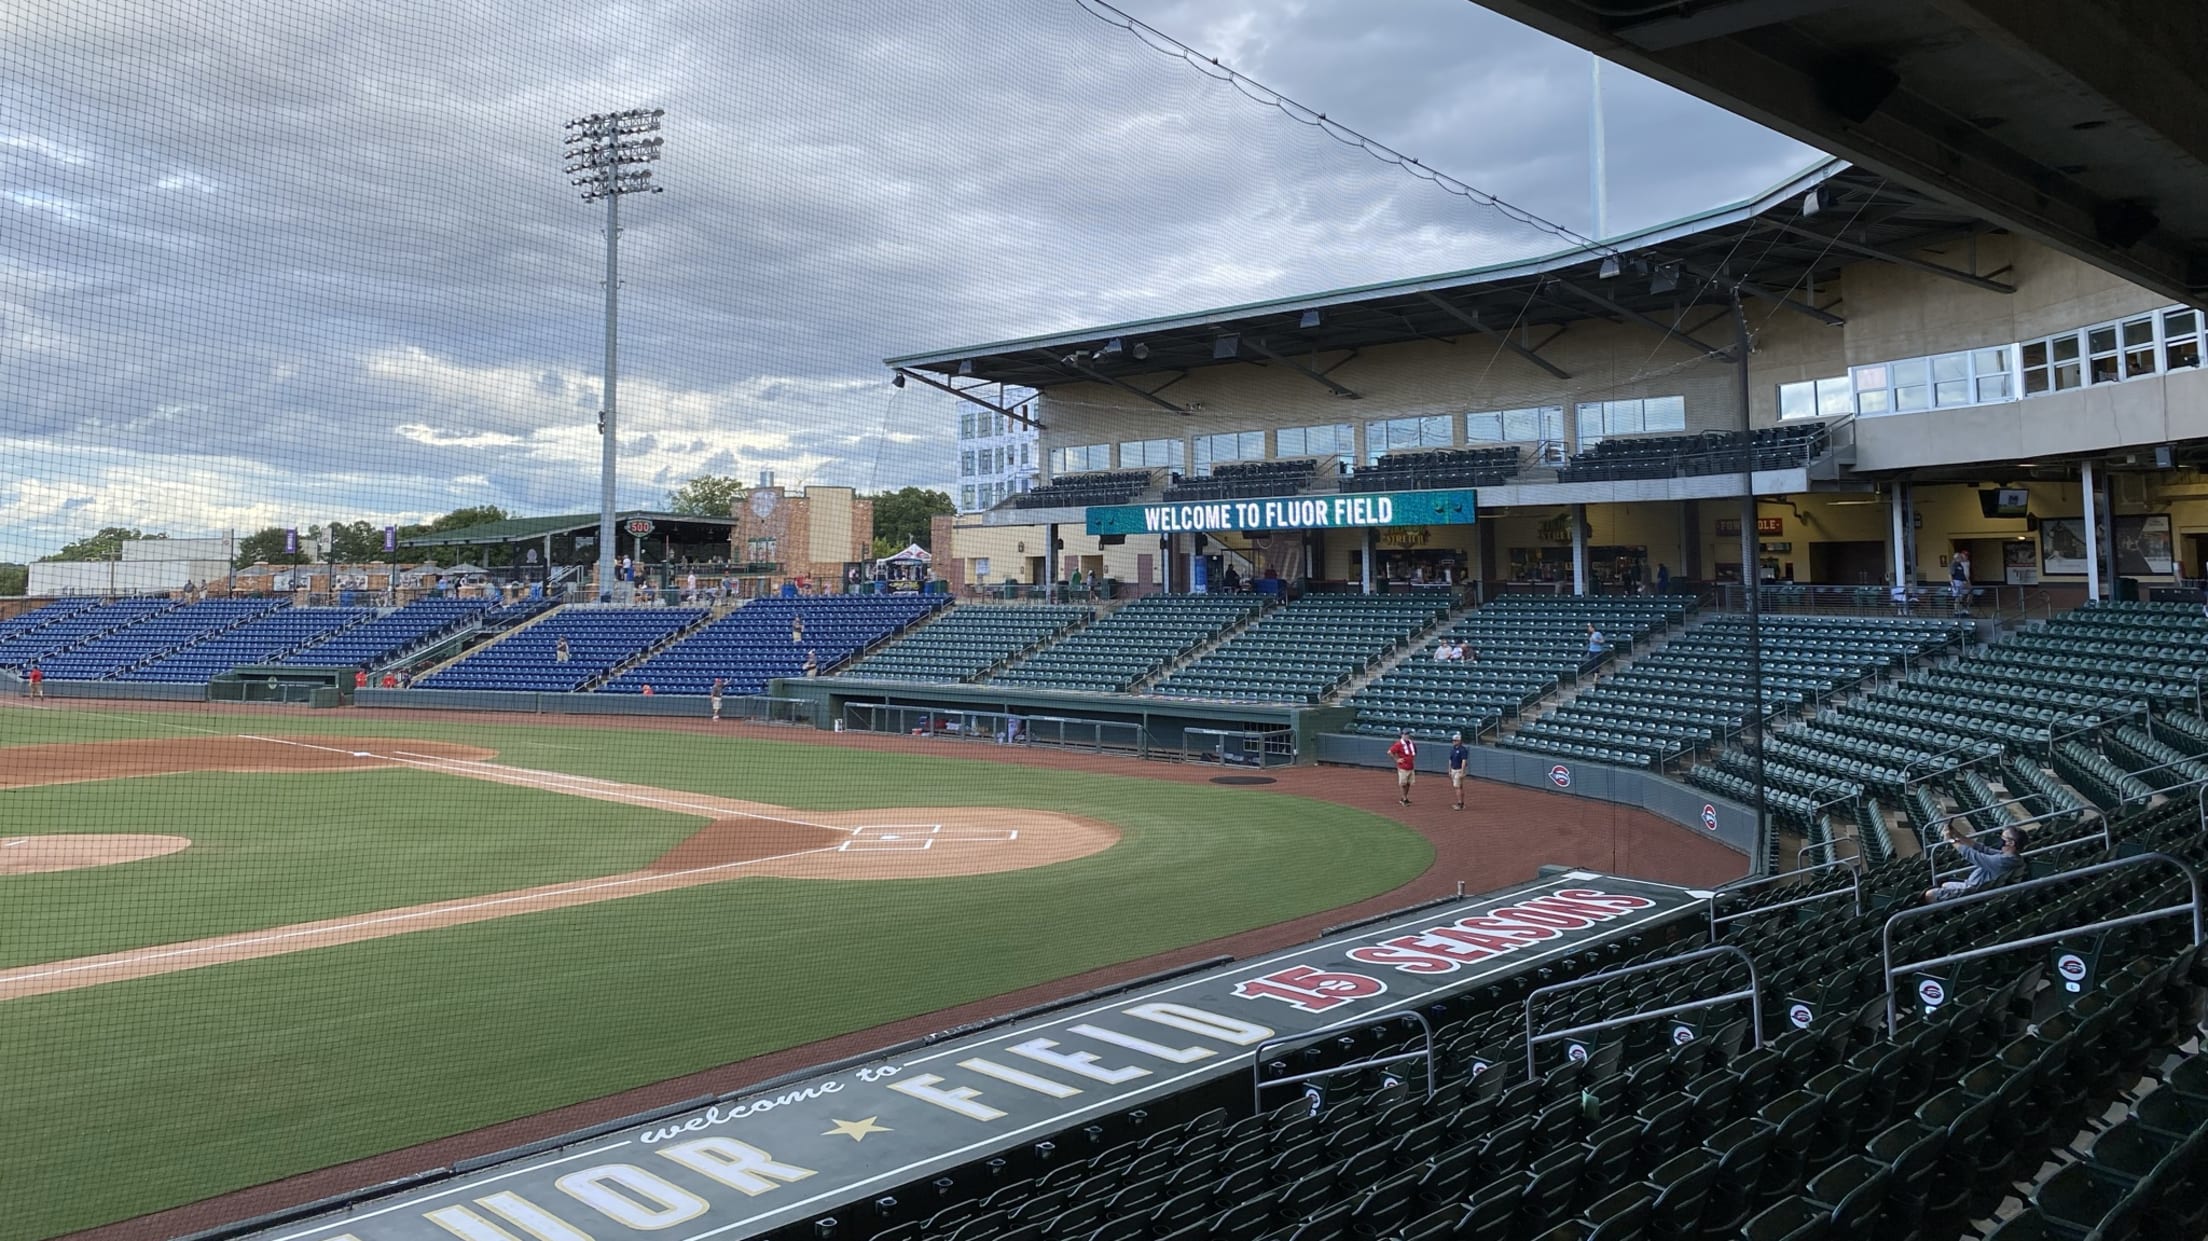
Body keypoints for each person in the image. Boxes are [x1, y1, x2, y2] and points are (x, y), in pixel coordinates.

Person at [1923, 821, 2029, 903]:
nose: (2000, 839)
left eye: (2003, 837)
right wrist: (1956, 834)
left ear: (2010, 843)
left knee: (1929, 894)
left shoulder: (2002, 861)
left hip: (1971, 892)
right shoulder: (2012, 857)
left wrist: (1951, 840)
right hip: (1973, 887)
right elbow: (1980, 848)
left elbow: (1974, 855)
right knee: (1944, 883)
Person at [1388, 729, 1417, 806]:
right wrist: (1397, 760)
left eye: (1408, 734)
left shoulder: (1412, 743)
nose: (1407, 736)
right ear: (1402, 735)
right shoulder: (1399, 744)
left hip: (1411, 767)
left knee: (1408, 783)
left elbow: (1414, 753)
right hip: (1403, 767)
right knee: (1403, 783)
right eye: (1405, 734)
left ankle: (1404, 797)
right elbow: (1390, 752)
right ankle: (1404, 799)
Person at [1448, 731, 1470, 812]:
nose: (1453, 742)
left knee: (1457, 787)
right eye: (1453, 740)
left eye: (1455, 740)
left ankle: (1460, 804)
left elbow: (1464, 761)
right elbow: (1450, 760)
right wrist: (1449, 770)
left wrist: (1462, 772)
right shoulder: (1453, 749)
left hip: (1458, 770)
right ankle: (1461, 803)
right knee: (1459, 787)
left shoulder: (1462, 750)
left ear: (1459, 741)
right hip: (1453, 769)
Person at [1950, 550, 1972, 616]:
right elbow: (1950, 574)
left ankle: (1964, 608)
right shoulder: (1953, 564)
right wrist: (1952, 583)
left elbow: (1963, 574)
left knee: (1968, 594)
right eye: (1960, 557)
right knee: (1957, 596)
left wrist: (1967, 581)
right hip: (1956, 582)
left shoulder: (1964, 563)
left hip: (1963, 581)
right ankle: (1956, 611)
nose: (1962, 558)